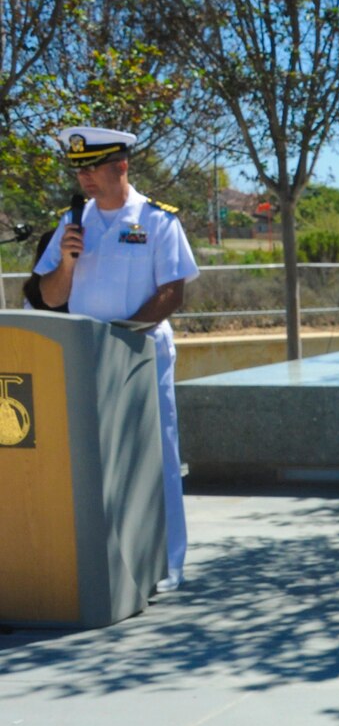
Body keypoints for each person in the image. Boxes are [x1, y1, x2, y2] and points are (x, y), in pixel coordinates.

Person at [34, 127, 199, 593]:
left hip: (141, 352)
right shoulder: (74, 223)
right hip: (85, 355)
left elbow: (172, 293)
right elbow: (49, 297)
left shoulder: (157, 220)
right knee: (91, 458)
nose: (85, 179)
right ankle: (104, 559)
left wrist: (122, 338)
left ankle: (167, 563)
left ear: (121, 166)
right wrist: (66, 261)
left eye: (92, 169)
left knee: (158, 455)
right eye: (79, 170)